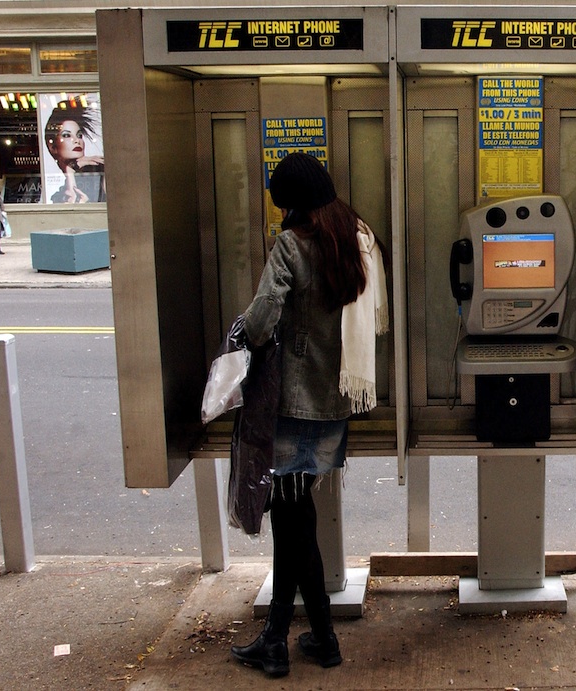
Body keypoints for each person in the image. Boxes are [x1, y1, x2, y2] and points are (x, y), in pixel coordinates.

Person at [230, 152, 388, 678]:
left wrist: (244, 333)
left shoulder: (292, 245)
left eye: (283, 205)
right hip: (336, 400)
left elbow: (262, 317)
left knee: (291, 520)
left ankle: (278, 641)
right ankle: (320, 637)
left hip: (295, 403)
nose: (281, 214)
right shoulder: (357, 238)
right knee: (297, 518)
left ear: (294, 204)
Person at [43, 101, 105, 203]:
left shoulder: (99, 173)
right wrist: (70, 170)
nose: (77, 140)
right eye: (67, 135)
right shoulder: (57, 195)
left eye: (79, 135)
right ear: (53, 147)